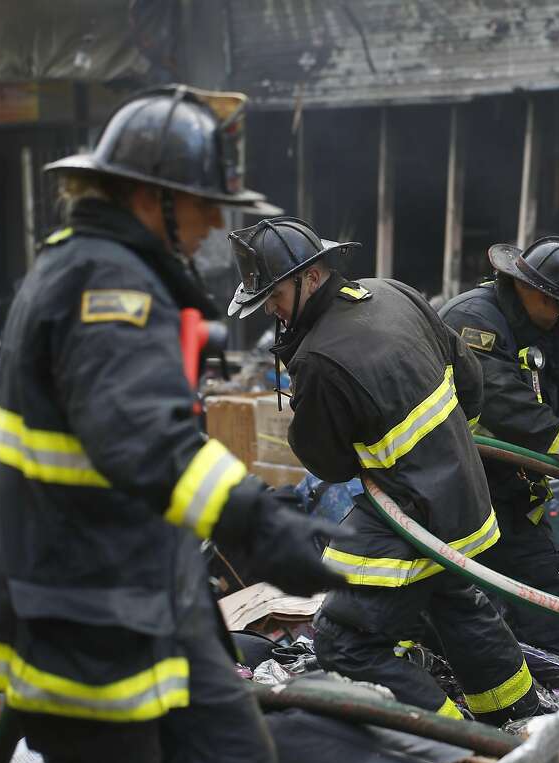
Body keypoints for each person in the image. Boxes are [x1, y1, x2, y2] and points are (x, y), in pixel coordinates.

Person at [0, 85, 347, 763]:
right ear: (147, 197)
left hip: (144, 592)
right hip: (78, 607)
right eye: (201, 206)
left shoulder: (110, 271)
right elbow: (141, 439)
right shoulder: (102, 283)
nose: (208, 229)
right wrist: (256, 524)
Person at [226, 216, 540, 724]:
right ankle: (517, 716)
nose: (270, 309)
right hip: (467, 499)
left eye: (274, 295)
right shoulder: (390, 292)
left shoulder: (320, 359)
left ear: (309, 278)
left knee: (344, 640)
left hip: (411, 511)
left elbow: (327, 464)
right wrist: (455, 445)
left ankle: (453, 741)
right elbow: (470, 377)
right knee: (451, 598)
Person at [439, 236, 559, 660]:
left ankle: (551, 692)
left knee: (541, 596)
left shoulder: (541, 325)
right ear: (534, 290)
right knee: (463, 606)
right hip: (458, 494)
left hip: (511, 497)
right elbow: (503, 405)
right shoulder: (474, 319)